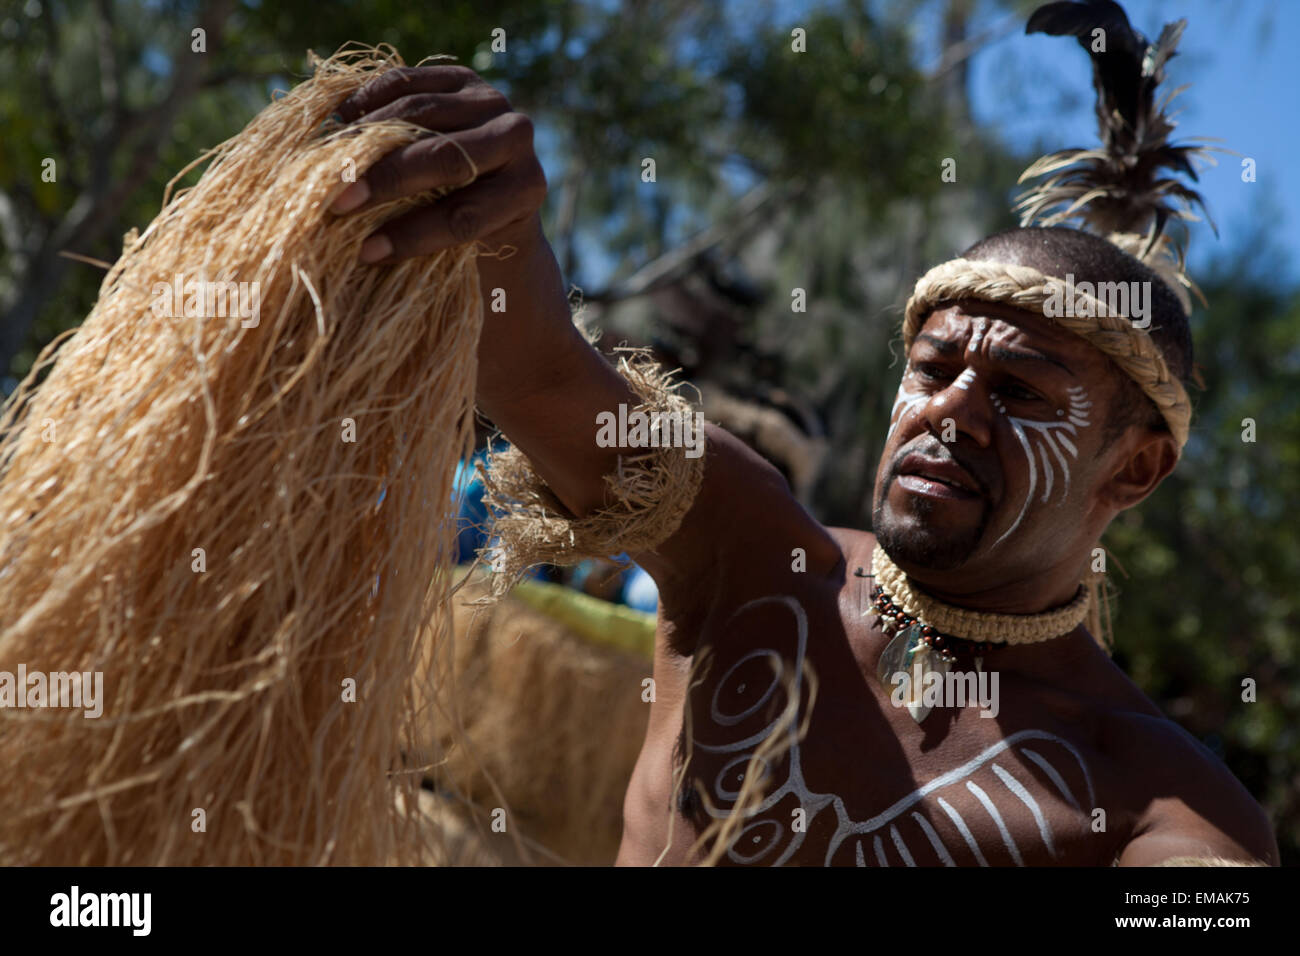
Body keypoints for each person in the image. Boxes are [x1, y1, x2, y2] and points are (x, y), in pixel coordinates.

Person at [327, 2, 1278, 866]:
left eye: (1022, 393)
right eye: (935, 369)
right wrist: (494, 218)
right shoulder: (747, 552)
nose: (951, 411)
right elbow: (540, 372)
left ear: (1137, 466)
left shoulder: (1163, 807)